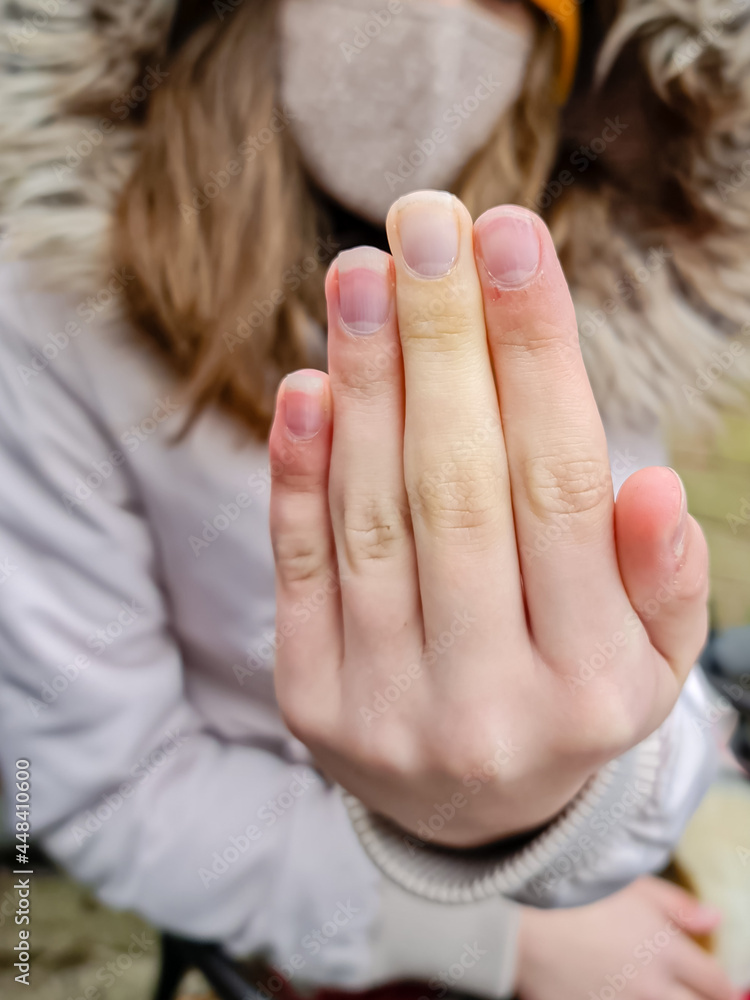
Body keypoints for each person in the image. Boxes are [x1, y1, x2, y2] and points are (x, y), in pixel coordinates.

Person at [0, 0, 747, 996]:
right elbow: (98, 785)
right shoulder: (49, 309)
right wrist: (485, 936)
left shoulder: (584, 277)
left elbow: (647, 705)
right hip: (289, 921)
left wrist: (560, 803)